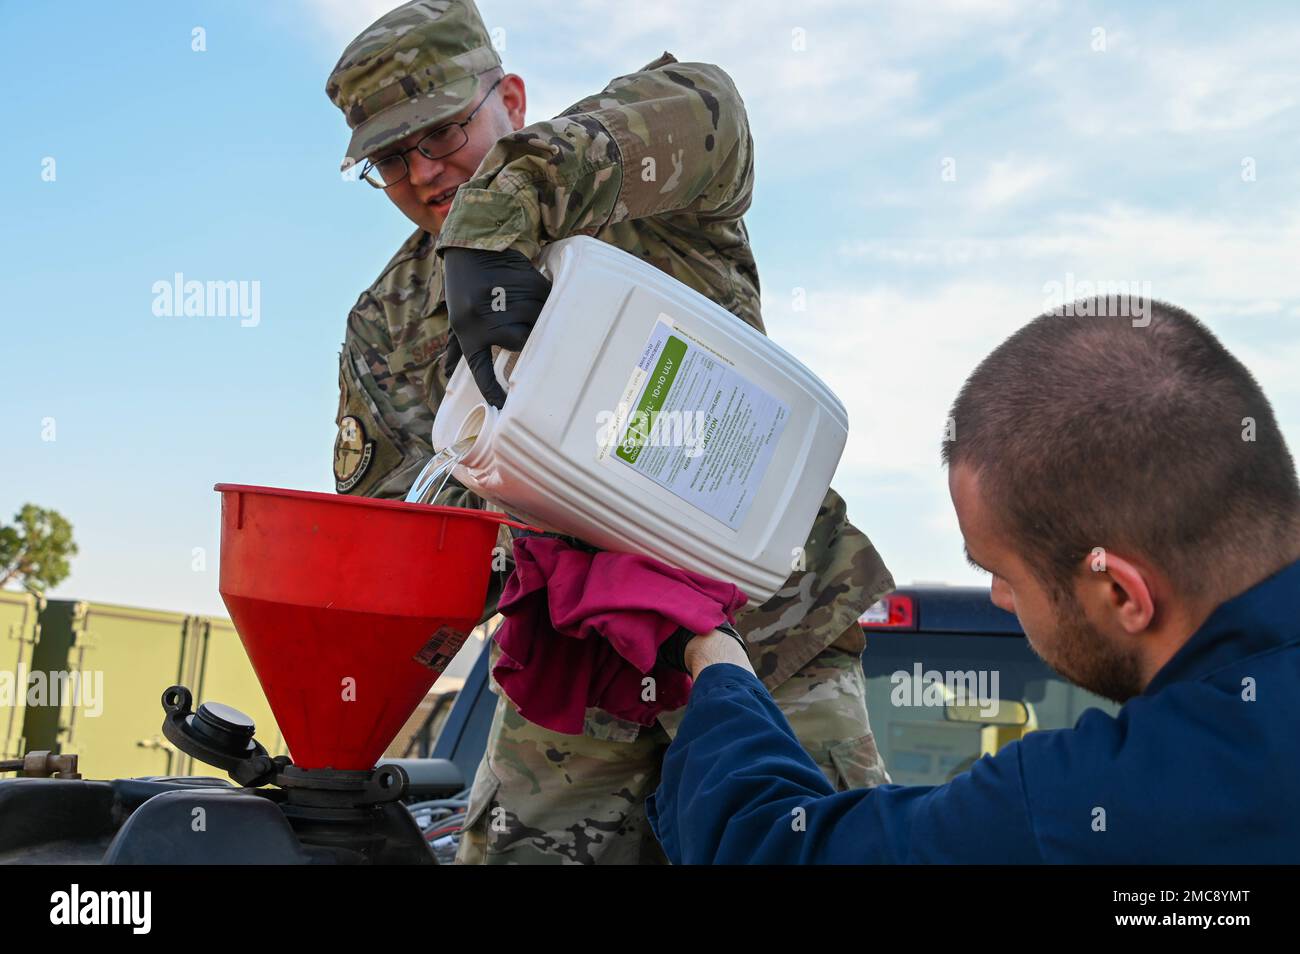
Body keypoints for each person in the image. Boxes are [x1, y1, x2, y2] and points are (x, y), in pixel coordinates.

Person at [324, 0, 895, 864]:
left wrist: (497, 217)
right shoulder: (390, 323)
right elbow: (398, 549)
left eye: (442, 133)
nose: (425, 172)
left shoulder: (636, 181)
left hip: (767, 642)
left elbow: (711, 105)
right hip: (575, 672)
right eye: (391, 160)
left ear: (509, 98)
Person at [646, 299, 1300, 863]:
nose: (999, 599)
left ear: (1121, 594)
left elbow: (777, 850)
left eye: (1003, 573)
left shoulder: (1102, 805)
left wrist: (720, 665)